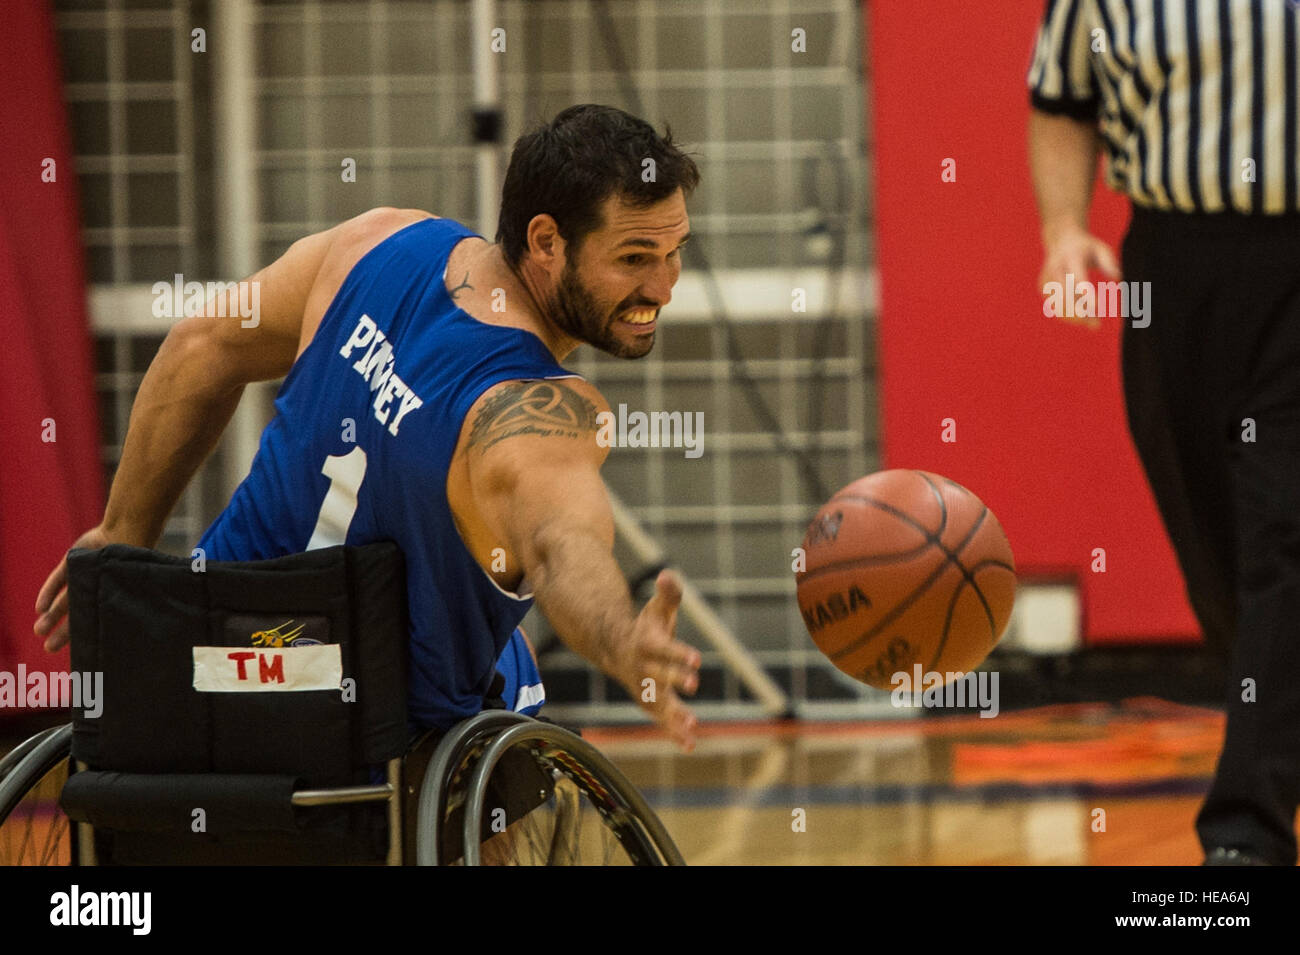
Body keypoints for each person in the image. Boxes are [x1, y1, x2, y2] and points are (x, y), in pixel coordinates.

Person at [33, 104, 703, 751]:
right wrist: (619, 639)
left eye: (676, 252)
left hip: (210, 674)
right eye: (636, 258)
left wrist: (122, 534)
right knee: (512, 676)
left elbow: (202, 344)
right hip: (368, 749)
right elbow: (562, 545)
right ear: (546, 241)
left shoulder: (376, 240)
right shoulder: (533, 411)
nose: (665, 287)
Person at [1028, 2, 1300, 864]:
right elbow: (1063, 97)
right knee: (1216, 559)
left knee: (1284, 537)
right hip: (1173, 266)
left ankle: (1243, 838)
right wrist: (1064, 230)